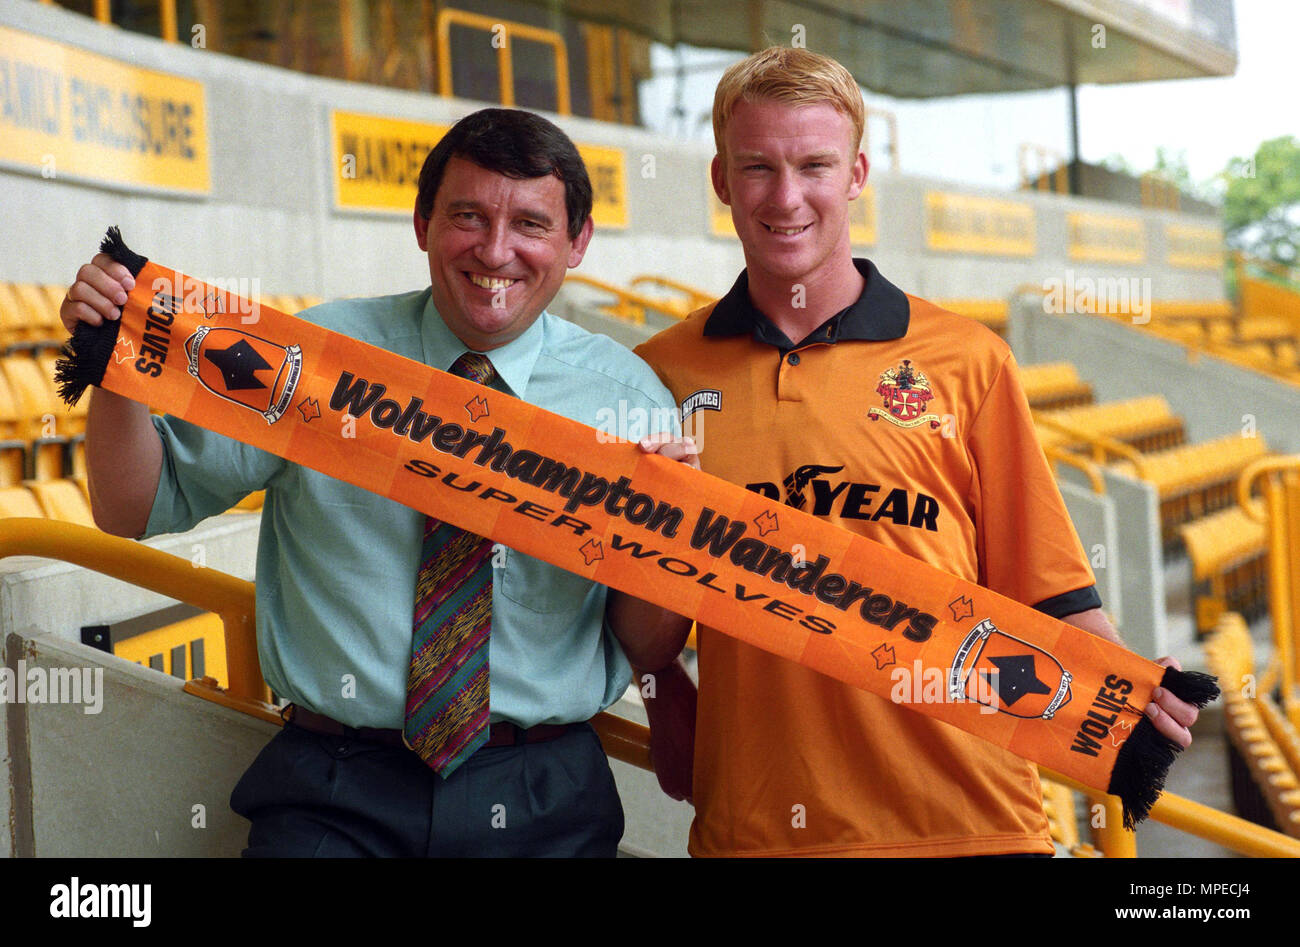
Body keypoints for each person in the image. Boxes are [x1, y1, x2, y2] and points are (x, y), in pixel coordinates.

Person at [60, 107, 691, 857]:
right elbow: (130, 507)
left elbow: (647, 645)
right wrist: (116, 360)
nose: (496, 250)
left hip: (541, 794)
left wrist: (662, 540)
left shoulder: (628, 398)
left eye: (531, 223)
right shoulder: (315, 358)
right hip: (333, 788)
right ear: (422, 222)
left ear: (577, 242)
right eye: (467, 215)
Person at [632, 47, 1200, 857]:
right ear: (722, 179)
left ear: (857, 172)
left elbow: (1049, 591)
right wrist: (663, 694)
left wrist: (1130, 686)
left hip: (977, 827)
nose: (786, 196)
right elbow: (640, 604)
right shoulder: (662, 373)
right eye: (757, 167)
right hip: (761, 834)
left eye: (814, 165)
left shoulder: (967, 360)